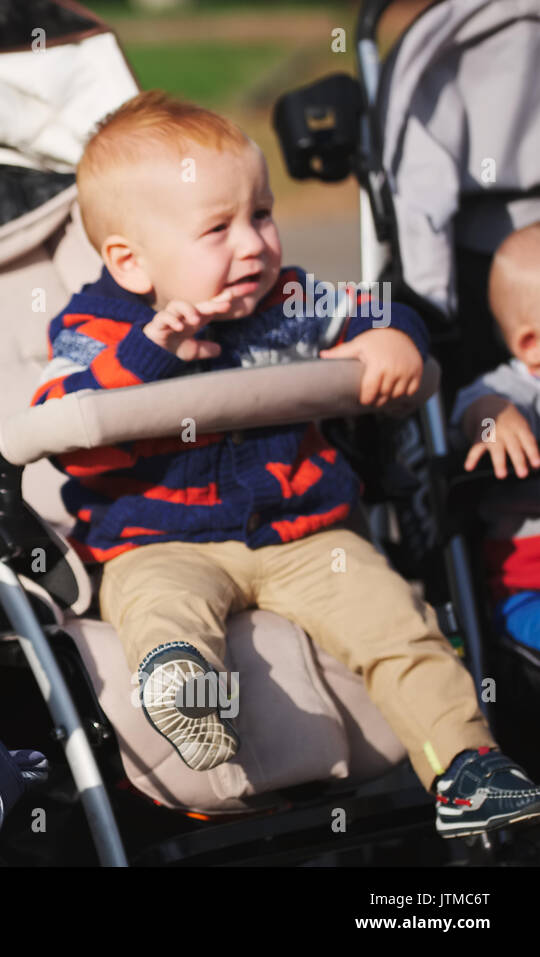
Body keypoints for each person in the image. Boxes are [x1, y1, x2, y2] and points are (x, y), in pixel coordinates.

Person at [30, 90, 540, 837]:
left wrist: (391, 336)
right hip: (160, 538)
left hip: (307, 537)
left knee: (400, 622)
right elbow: (60, 406)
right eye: (218, 229)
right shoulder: (95, 327)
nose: (254, 245)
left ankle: (466, 765)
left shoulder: (290, 299)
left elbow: (371, 308)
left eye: (262, 215)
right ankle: (184, 684)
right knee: (154, 600)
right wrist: (147, 355)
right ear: (132, 263)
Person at [450, 222, 540, 652]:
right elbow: (474, 410)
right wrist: (494, 421)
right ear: (531, 344)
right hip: (527, 591)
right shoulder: (511, 393)